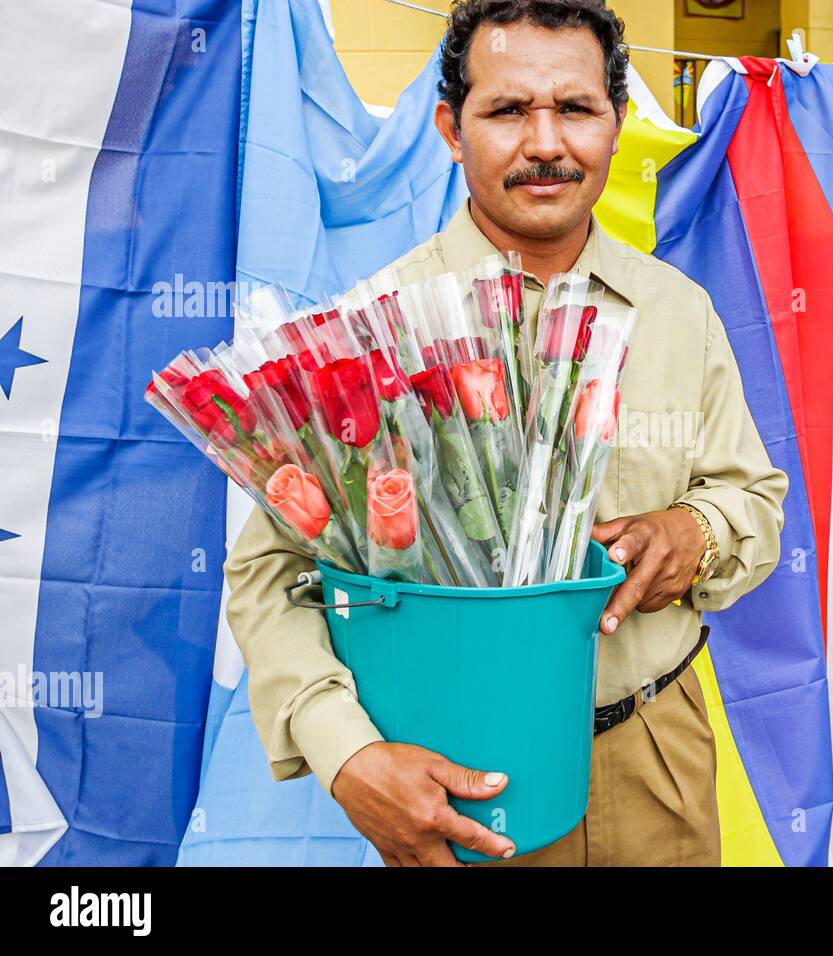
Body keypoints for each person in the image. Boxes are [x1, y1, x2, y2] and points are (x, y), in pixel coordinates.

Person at [222, 0, 788, 867]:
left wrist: (695, 533)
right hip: (464, 786)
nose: (547, 143)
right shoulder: (370, 333)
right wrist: (348, 755)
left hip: (660, 762)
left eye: (575, 108)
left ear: (617, 119)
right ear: (452, 127)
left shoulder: (679, 312)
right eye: (508, 110)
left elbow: (751, 497)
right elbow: (272, 575)